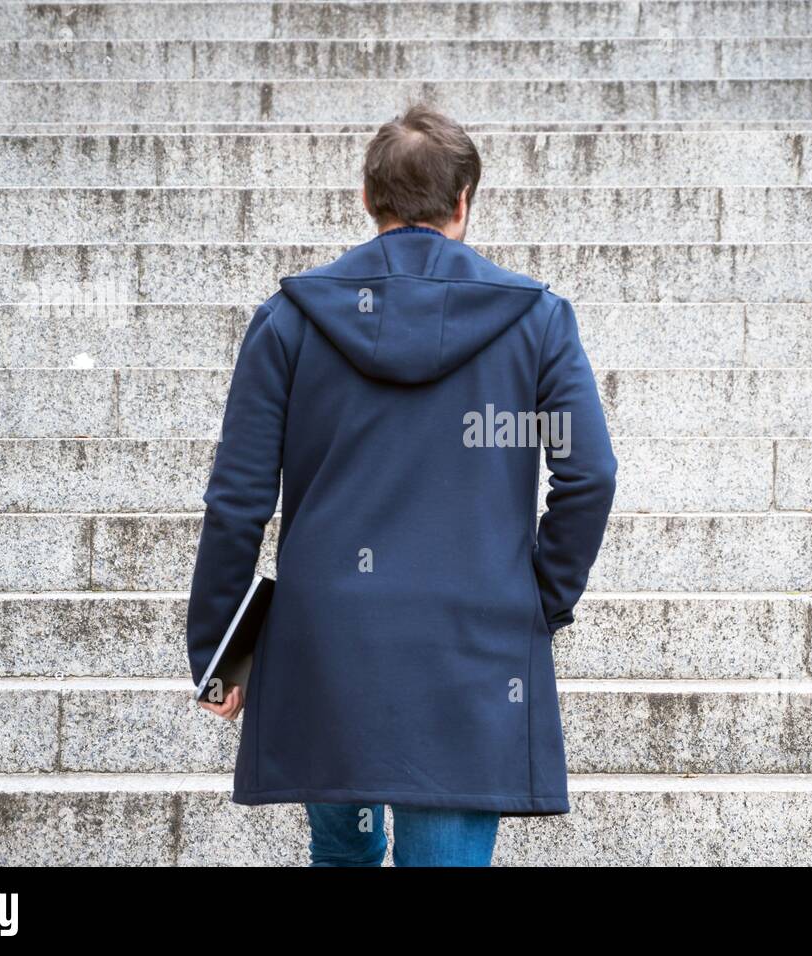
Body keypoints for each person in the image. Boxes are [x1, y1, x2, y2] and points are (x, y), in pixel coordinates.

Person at [185, 104, 618, 867]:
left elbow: (238, 501)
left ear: (367, 198)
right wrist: (539, 599)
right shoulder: (537, 320)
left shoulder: (289, 321)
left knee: (343, 855)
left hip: (329, 641)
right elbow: (588, 473)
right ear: (463, 203)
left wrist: (222, 652)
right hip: (471, 639)